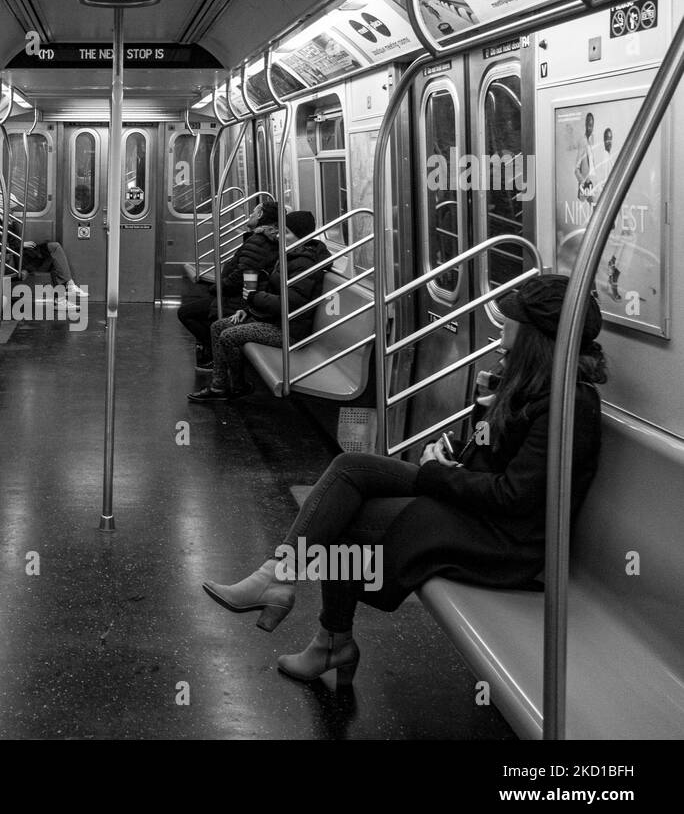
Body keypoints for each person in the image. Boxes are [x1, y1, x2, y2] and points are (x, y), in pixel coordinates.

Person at [200, 275, 607, 685]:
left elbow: (514, 496)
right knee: (351, 469)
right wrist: (473, 425)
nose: (502, 324)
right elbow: (492, 462)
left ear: (537, 333)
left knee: (347, 523)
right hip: (480, 510)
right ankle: (280, 578)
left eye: (512, 317)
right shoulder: (529, 384)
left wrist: (438, 474)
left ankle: (329, 638)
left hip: (505, 542)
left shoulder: (569, 405)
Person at [187, 211, 331, 401]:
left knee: (229, 335)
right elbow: (272, 292)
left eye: (286, 232)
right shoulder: (289, 256)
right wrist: (247, 310)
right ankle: (219, 386)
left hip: (289, 330)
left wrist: (254, 298)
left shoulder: (304, 265)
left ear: (301, 236)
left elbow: (289, 304)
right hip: (273, 320)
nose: (280, 236)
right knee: (218, 326)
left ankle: (238, 387)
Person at [177, 201, 280, 369]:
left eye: (254, 212)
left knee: (186, 313)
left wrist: (218, 288)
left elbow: (242, 276)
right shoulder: (260, 240)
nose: (250, 215)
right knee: (197, 307)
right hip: (239, 295)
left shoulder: (259, 242)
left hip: (238, 299)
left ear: (260, 215)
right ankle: (212, 354)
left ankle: (215, 354)